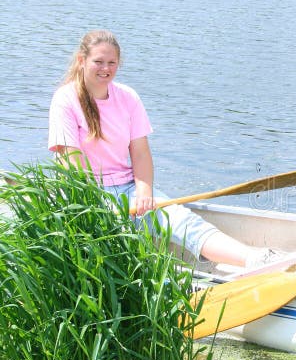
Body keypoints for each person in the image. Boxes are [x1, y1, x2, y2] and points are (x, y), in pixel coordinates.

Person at [48, 29, 282, 270]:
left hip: (127, 186)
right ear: (81, 60)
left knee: (182, 221)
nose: (105, 68)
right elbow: (70, 162)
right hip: (84, 192)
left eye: (112, 62)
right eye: (98, 61)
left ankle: (254, 258)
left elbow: (140, 153)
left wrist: (144, 192)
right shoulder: (65, 99)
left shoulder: (128, 97)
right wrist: (98, 203)